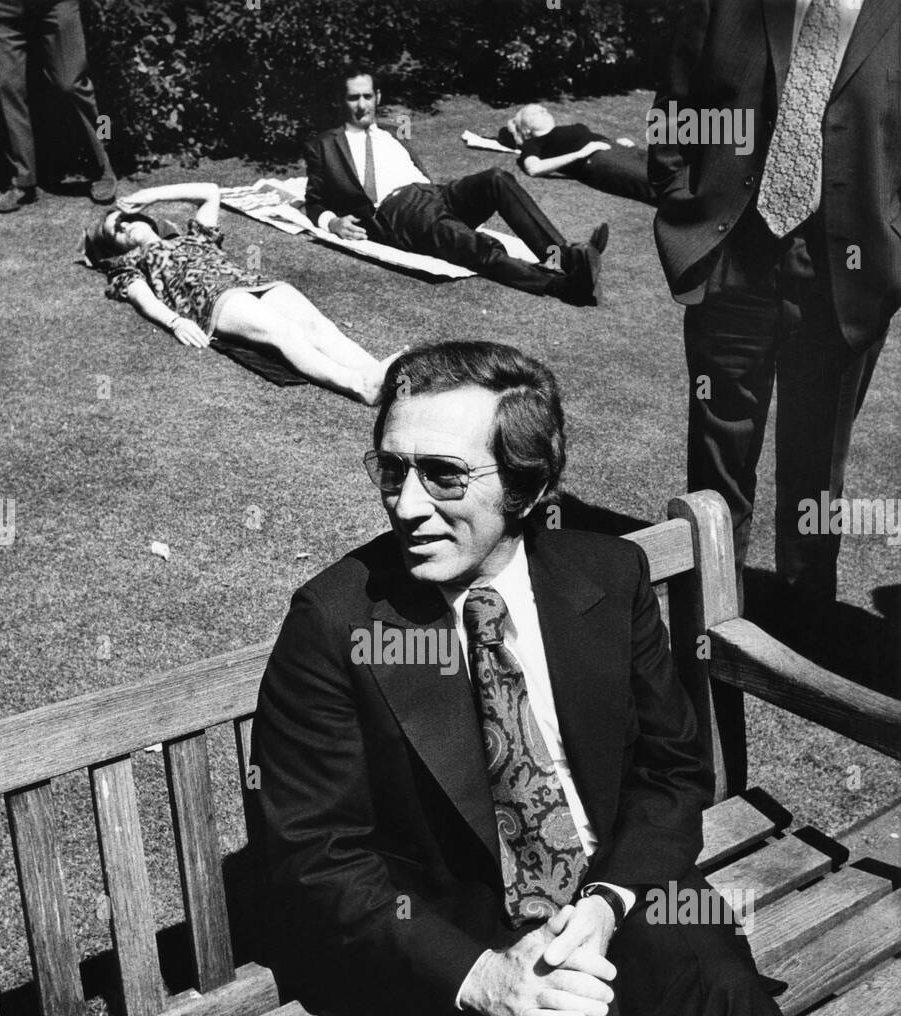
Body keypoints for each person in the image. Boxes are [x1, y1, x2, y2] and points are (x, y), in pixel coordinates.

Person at [251, 340, 825, 1016]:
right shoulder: (336, 620)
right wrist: (487, 981)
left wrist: (602, 906)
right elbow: (315, 859)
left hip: (610, 906)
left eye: (441, 474)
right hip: (454, 954)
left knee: (721, 1004)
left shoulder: (602, 578)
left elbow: (668, 776)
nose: (402, 504)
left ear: (525, 481)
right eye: (389, 470)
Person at [649, 0, 901, 612]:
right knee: (718, 455)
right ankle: (709, 613)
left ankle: (804, 621)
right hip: (734, 256)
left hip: (847, 272)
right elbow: (676, 109)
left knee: (818, 463)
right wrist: (681, 197)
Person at [305, 64, 609, 306]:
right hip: (396, 211)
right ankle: (564, 286)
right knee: (467, 242)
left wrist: (437, 194)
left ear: (378, 97)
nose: (361, 105)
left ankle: (566, 257)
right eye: (353, 97)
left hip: (434, 193)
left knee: (496, 178)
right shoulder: (325, 145)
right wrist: (331, 222)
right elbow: (314, 200)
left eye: (367, 96)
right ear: (340, 101)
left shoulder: (391, 132)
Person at [82, 183, 396, 405]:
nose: (125, 227)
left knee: (319, 327)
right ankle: (358, 386)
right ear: (116, 248)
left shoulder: (193, 237)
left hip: (253, 281)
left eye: (125, 219)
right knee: (284, 331)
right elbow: (142, 297)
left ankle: (380, 375)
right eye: (116, 231)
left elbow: (210, 192)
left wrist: (149, 196)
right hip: (214, 299)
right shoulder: (129, 264)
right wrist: (175, 322)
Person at [0, 0, 117, 213]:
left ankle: (104, 165)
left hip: (57, 4)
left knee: (73, 83)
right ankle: (22, 181)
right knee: (7, 88)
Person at [498, 104, 654, 205]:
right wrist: (579, 154)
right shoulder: (533, 144)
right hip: (598, 159)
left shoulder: (564, 129)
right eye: (534, 112)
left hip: (618, 149)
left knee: (668, 166)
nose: (543, 110)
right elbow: (534, 168)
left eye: (542, 109)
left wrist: (615, 141)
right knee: (655, 181)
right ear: (526, 129)